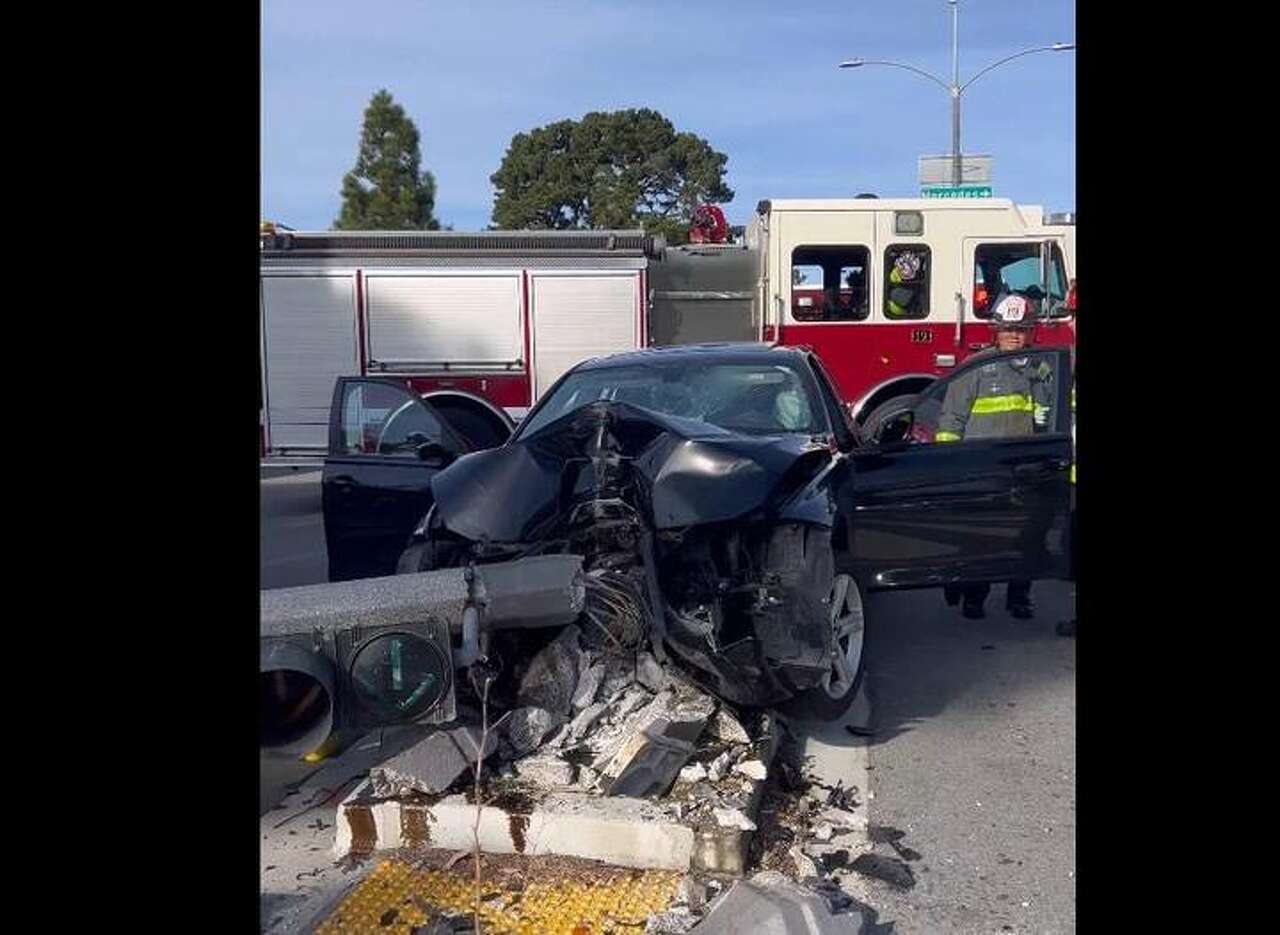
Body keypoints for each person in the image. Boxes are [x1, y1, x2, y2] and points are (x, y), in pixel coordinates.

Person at [938, 293, 1053, 620]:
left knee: (1029, 536)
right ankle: (974, 597)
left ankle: (1019, 597)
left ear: (1032, 331)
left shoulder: (1043, 369)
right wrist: (950, 466)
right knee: (983, 538)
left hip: (1029, 470)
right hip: (984, 470)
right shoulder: (976, 368)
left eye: (1022, 329)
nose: (1015, 335)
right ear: (995, 331)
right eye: (1008, 329)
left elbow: (1051, 416)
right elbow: (950, 421)